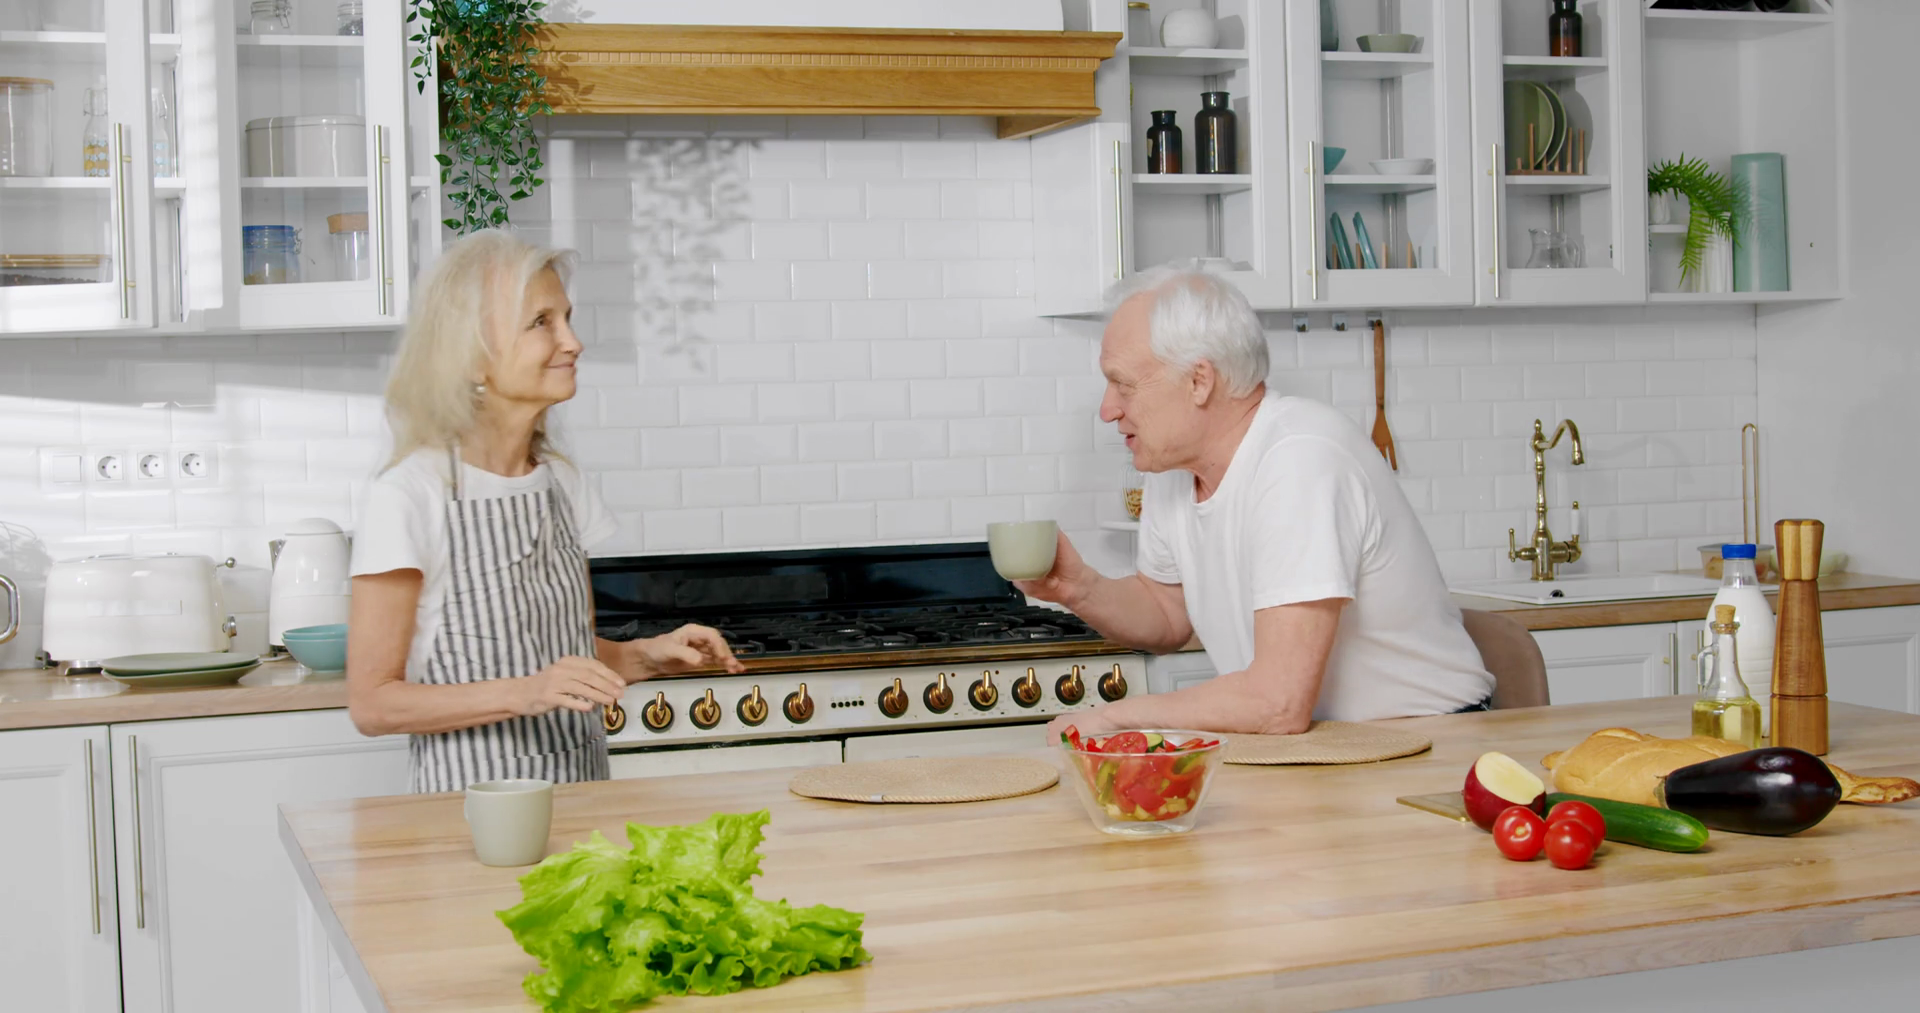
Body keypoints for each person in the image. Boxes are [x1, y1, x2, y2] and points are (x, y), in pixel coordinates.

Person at [346, 230, 743, 793]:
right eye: (541, 322)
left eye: (567, 319)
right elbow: (373, 704)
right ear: (472, 357)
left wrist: (649, 657)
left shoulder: (559, 481)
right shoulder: (410, 494)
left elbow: (566, 658)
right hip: (467, 813)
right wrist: (524, 693)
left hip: (581, 800)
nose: (573, 342)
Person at [1026, 267, 1493, 739]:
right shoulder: (1174, 471)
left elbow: (1277, 703)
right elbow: (1166, 616)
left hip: (1431, 740)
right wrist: (1077, 588)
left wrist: (1115, 717)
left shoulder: (1299, 458)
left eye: (1123, 384)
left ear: (1199, 381)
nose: (1108, 409)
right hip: (1319, 745)